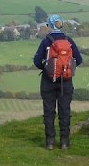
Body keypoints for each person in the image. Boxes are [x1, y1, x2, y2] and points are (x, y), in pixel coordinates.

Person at [33, 14, 83, 150]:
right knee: (65, 111)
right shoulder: (69, 40)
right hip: (66, 82)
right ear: (61, 24)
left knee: (49, 111)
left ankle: (50, 142)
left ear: (49, 26)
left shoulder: (46, 41)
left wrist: (49, 68)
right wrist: (66, 68)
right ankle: (64, 142)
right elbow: (79, 60)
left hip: (48, 82)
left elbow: (37, 62)